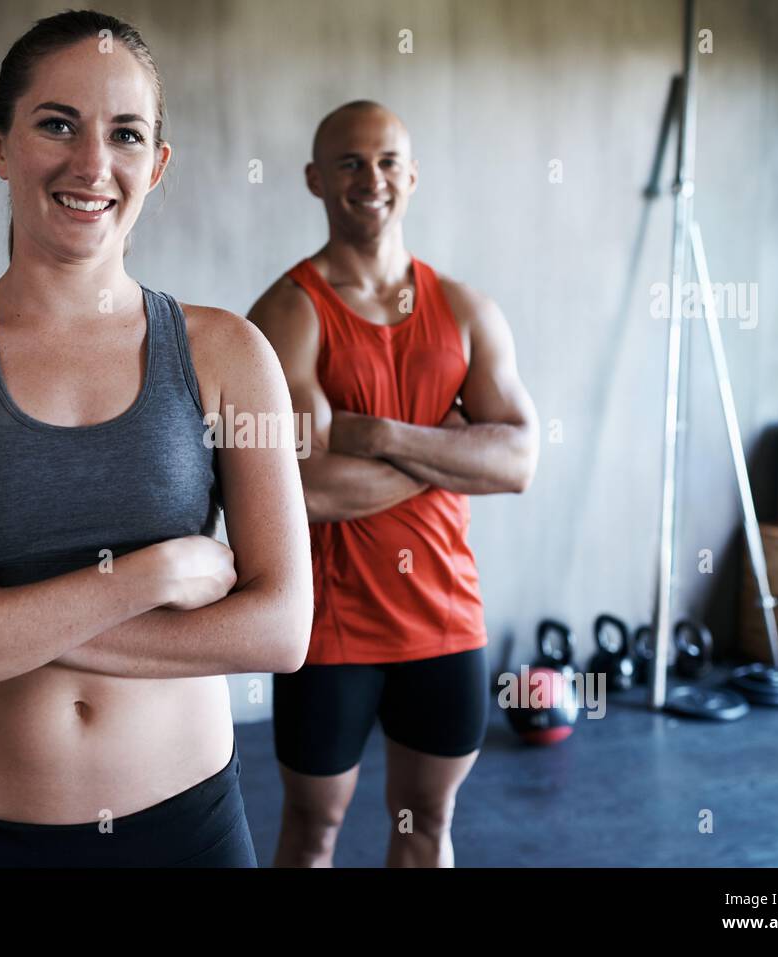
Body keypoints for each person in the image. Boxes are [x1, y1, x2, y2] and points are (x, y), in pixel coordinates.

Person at [0, 10, 312, 867]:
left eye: (125, 134)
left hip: (187, 826)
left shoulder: (228, 352)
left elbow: (280, 630)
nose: (92, 165)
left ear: (156, 165)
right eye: (57, 123)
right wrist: (151, 575)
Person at [248, 100, 539, 867]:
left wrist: (375, 433)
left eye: (384, 162)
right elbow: (303, 489)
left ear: (411, 176)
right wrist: (449, 450)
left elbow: (517, 462)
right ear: (315, 178)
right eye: (348, 162)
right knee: (313, 833)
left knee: (427, 829)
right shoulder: (288, 314)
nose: (368, 179)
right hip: (329, 626)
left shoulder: (467, 310)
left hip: (444, 618)